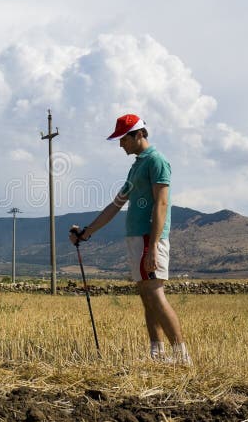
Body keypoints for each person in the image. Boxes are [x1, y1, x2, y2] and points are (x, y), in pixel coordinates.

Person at [69, 114, 190, 364]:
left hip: (149, 237)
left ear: (139, 135)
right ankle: (157, 354)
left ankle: (182, 357)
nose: (120, 144)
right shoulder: (136, 166)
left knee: (156, 294)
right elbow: (116, 205)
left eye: (123, 139)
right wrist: (87, 232)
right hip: (136, 237)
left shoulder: (156, 161)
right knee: (146, 296)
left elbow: (161, 203)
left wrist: (153, 247)